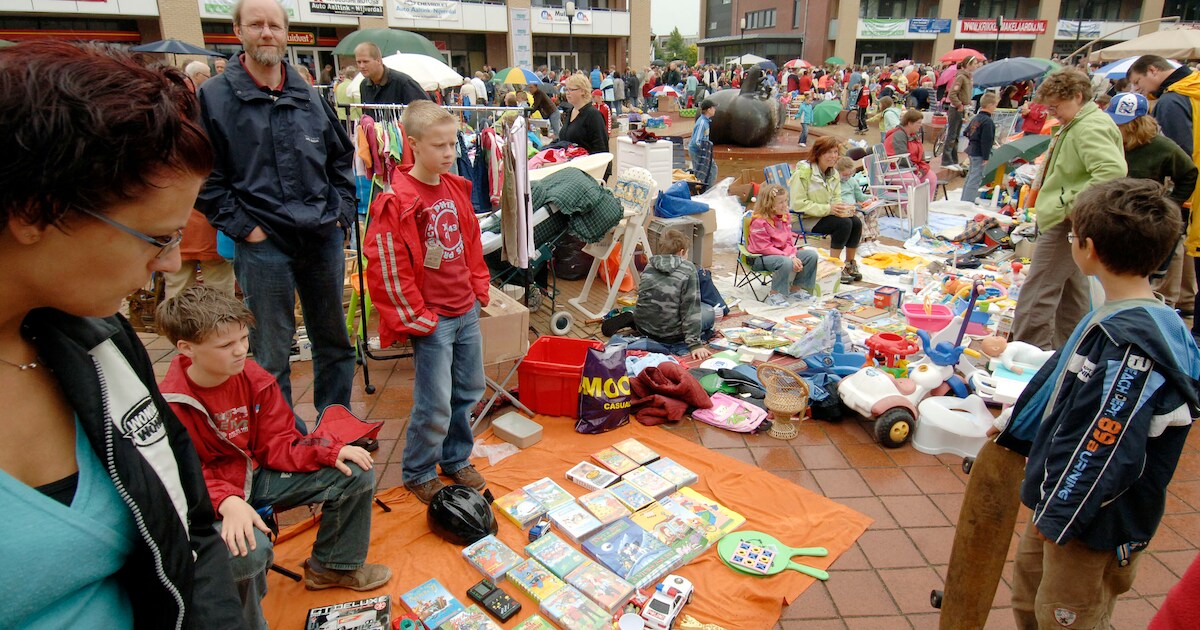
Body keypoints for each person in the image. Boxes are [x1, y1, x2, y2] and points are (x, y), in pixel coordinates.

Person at [0, 40, 242, 627]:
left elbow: (189, 528)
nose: (166, 264)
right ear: (35, 211)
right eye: (157, 236)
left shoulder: (100, 340)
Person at [995, 178, 1200, 630]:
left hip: (1089, 522)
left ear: (1086, 248)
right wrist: (1016, 424)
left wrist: (1060, 515)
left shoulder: (1133, 348)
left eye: (1070, 237)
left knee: (1070, 616)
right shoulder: (1117, 313)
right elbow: (1064, 381)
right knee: (1032, 602)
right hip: (1060, 504)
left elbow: (1104, 447)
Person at [156, 287, 390, 628]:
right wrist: (226, 501)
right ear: (186, 349)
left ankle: (332, 567)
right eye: (225, 345)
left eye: (243, 338)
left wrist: (328, 450)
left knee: (353, 469)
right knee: (247, 554)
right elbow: (178, 473)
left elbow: (278, 442)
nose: (240, 351)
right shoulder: (169, 402)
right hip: (208, 499)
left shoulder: (254, 378)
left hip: (255, 475)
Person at [197, 0, 358, 427]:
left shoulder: (307, 93)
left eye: (274, 26)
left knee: (334, 341)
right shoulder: (214, 98)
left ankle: (336, 424)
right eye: (256, 25)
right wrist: (244, 228)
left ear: (286, 33)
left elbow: (341, 158)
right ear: (237, 31)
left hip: (321, 237)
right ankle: (283, 437)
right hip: (264, 243)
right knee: (272, 350)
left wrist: (340, 214)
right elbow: (201, 174)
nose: (266, 33)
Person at [363, 101, 491, 504]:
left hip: (463, 308)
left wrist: (477, 290)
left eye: (453, 143)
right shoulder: (397, 198)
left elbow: (470, 242)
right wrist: (417, 316)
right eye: (439, 146)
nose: (450, 153)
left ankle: (455, 459)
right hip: (433, 317)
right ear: (413, 145)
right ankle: (418, 470)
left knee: (468, 389)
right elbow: (386, 262)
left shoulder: (455, 187)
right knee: (434, 401)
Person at [1010, 70, 1128, 350]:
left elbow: (1112, 170)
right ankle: (1073, 349)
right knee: (1073, 289)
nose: (1053, 113)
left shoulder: (1089, 126)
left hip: (1068, 219)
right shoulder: (1080, 123)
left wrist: (1069, 205)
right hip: (1071, 216)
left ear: (1077, 97)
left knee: (1039, 288)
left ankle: (1025, 349)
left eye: (1056, 107)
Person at [1107, 92, 1198, 309]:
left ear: (1136, 123)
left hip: (1141, 219)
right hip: (1112, 214)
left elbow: (1189, 174)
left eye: (1123, 124)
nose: (1117, 127)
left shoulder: (1162, 147)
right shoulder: (1110, 139)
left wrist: (1170, 204)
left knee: (1140, 276)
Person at [1128, 55, 1200, 330]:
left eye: (1139, 82)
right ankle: (1182, 303)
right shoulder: (1192, 88)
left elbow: (1179, 152)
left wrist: (1172, 200)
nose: (1141, 89)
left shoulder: (1172, 99)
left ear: (1153, 70)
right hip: (1190, 193)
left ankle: (1168, 310)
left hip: (1186, 195)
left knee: (1173, 250)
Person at [601, 230, 714, 360]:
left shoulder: (650, 264)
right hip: (670, 335)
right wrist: (695, 344)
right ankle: (635, 316)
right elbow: (690, 308)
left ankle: (633, 315)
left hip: (643, 326)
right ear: (682, 252)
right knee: (708, 311)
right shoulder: (688, 268)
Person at [790, 135, 861, 284]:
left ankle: (849, 263)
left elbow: (836, 198)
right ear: (818, 153)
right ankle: (834, 267)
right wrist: (829, 209)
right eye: (829, 152)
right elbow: (798, 205)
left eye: (835, 152)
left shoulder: (833, 173)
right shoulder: (803, 173)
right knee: (843, 224)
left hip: (822, 215)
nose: (833, 156)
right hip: (802, 219)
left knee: (855, 221)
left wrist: (842, 208)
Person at [747, 184, 821, 306]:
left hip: (781, 254)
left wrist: (792, 254)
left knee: (810, 255)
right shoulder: (759, 221)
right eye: (781, 202)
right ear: (769, 204)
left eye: (786, 200)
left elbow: (788, 241)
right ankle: (774, 294)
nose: (785, 205)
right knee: (785, 262)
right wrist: (789, 257)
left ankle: (796, 289)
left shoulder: (784, 218)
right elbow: (764, 247)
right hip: (759, 257)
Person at [885, 108, 939, 201]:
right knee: (913, 181)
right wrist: (916, 169)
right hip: (895, 169)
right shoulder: (898, 135)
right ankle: (908, 209)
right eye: (918, 122)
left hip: (911, 168)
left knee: (931, 178)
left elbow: (921, 157)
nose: (920, 125)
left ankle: (925, 206)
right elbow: (901, 158)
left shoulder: (914, 136)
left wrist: (922, 170)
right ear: (910, 123)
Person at [354, 42, 429, 105]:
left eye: (365, 61)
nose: (362, 66)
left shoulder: (403, 83)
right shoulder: (364, 85)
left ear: (378, 61)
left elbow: (427, 111)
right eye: (358, 62)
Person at [559, 73, 609, 156]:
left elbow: (601, 148)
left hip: (586, 165)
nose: (567, 93)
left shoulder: (593, 115)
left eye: (571, 89)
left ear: (582, 91)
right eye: (566, 89)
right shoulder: (570, 111)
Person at [961, 92, 998, 203]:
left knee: (970, 176)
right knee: (975, 178)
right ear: (990, 105)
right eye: (995, 105)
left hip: (972, 149)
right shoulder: (988, 122)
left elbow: (966, 132)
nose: (995, 107)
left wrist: (973, 139)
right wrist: (986, 156)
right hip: (979, 152)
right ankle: (968, 201)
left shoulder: (976, 118)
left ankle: (965, 198)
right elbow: (986, 140)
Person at [945, 55, 980, 168]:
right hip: (956, 109)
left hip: (962, 108)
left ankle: (953, 160)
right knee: (952, 134)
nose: (976, 65)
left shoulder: (968, 77)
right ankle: (946, 161)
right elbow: (952, 94)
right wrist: (959, 104)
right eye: (974, 63)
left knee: (956, 135)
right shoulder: (961, 77)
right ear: (968, 64)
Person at [688, 99, 716, 185]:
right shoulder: (702, 123)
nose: (715, 110)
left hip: (700, 151)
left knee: (708, 170)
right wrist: (703, 151)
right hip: (697, 151)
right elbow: (696, 141)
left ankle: (705, 190)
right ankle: (706, 191)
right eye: (713, 108)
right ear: (709, 110)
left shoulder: (705, 121)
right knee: (708, 170)